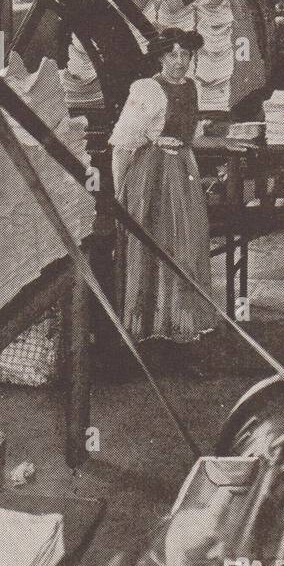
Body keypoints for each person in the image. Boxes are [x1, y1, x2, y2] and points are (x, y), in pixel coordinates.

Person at [109, 25, 217, 346]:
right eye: (172, 55)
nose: (180, 61)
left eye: (185, 55)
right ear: (160, 57)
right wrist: (119, 192)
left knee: (185, 244)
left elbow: (188, 131)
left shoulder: (192, 88)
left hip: (183, 169)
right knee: (152, 242)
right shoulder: (148, 90)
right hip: (152, 175)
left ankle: (178, 323)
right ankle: (146, 325)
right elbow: (123, 146)